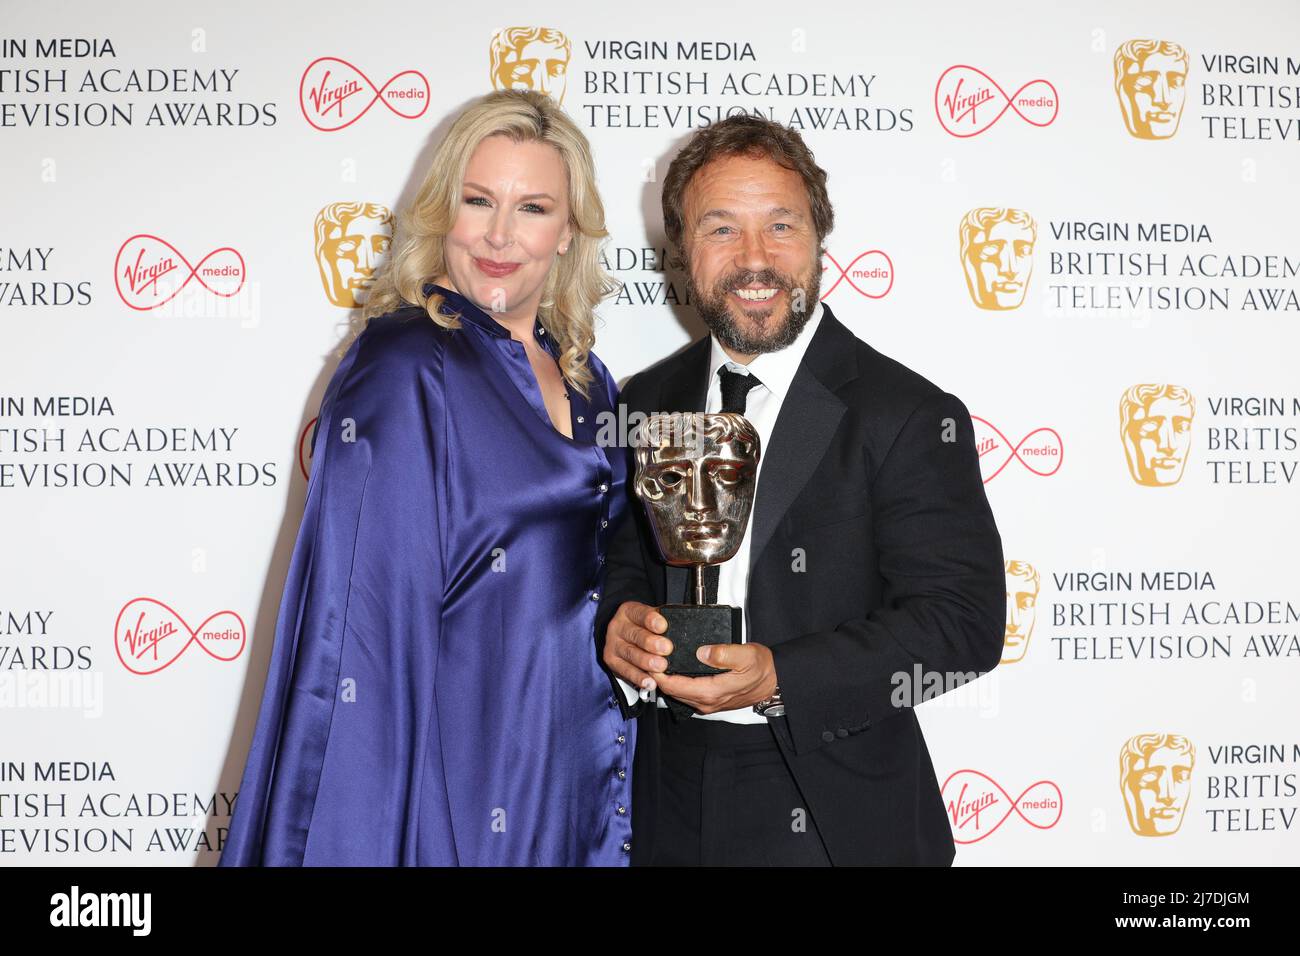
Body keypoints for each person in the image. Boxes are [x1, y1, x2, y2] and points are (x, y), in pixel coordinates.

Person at [221, 89, 635, 866]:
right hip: (461, 785)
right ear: (443, 210)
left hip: (585, 775)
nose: (500, 235)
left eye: (533, 207)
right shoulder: (406, 364)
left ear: (570, 227)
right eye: (479, 201)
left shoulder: (590, 379)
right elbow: (359, 631)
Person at [596, 114, 1006, 865]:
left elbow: (963, 624)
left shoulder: (906, 413)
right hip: (668, 802)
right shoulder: (642, 403)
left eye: (781, 225)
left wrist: (782, 678)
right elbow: (622, 564)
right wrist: (618, 624)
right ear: (681, 251)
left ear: (820, 238)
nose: (757, 260)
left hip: (835, 813)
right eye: (722, 229)